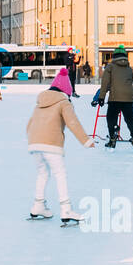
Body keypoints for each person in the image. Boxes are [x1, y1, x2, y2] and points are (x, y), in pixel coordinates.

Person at [27, 83, 96, 222]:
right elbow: (73, 122)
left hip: (34, 143)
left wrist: (33, 141)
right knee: (60, 174)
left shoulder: (39, 103)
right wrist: (86, 141)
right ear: (66, 92)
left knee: (43, 173)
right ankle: (66, 210)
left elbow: (30, 124)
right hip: (51, 143)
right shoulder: (64, 103)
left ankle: (38, 205)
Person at [95, 44, 133, 150]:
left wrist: (101, 97)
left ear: (114, 56)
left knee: (111, 117)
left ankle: (113, 137)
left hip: (115, 98)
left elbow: (105, 83)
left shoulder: (110, 67)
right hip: (128, 98)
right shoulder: (129, 68)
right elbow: (130, 81)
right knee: (130, 119)